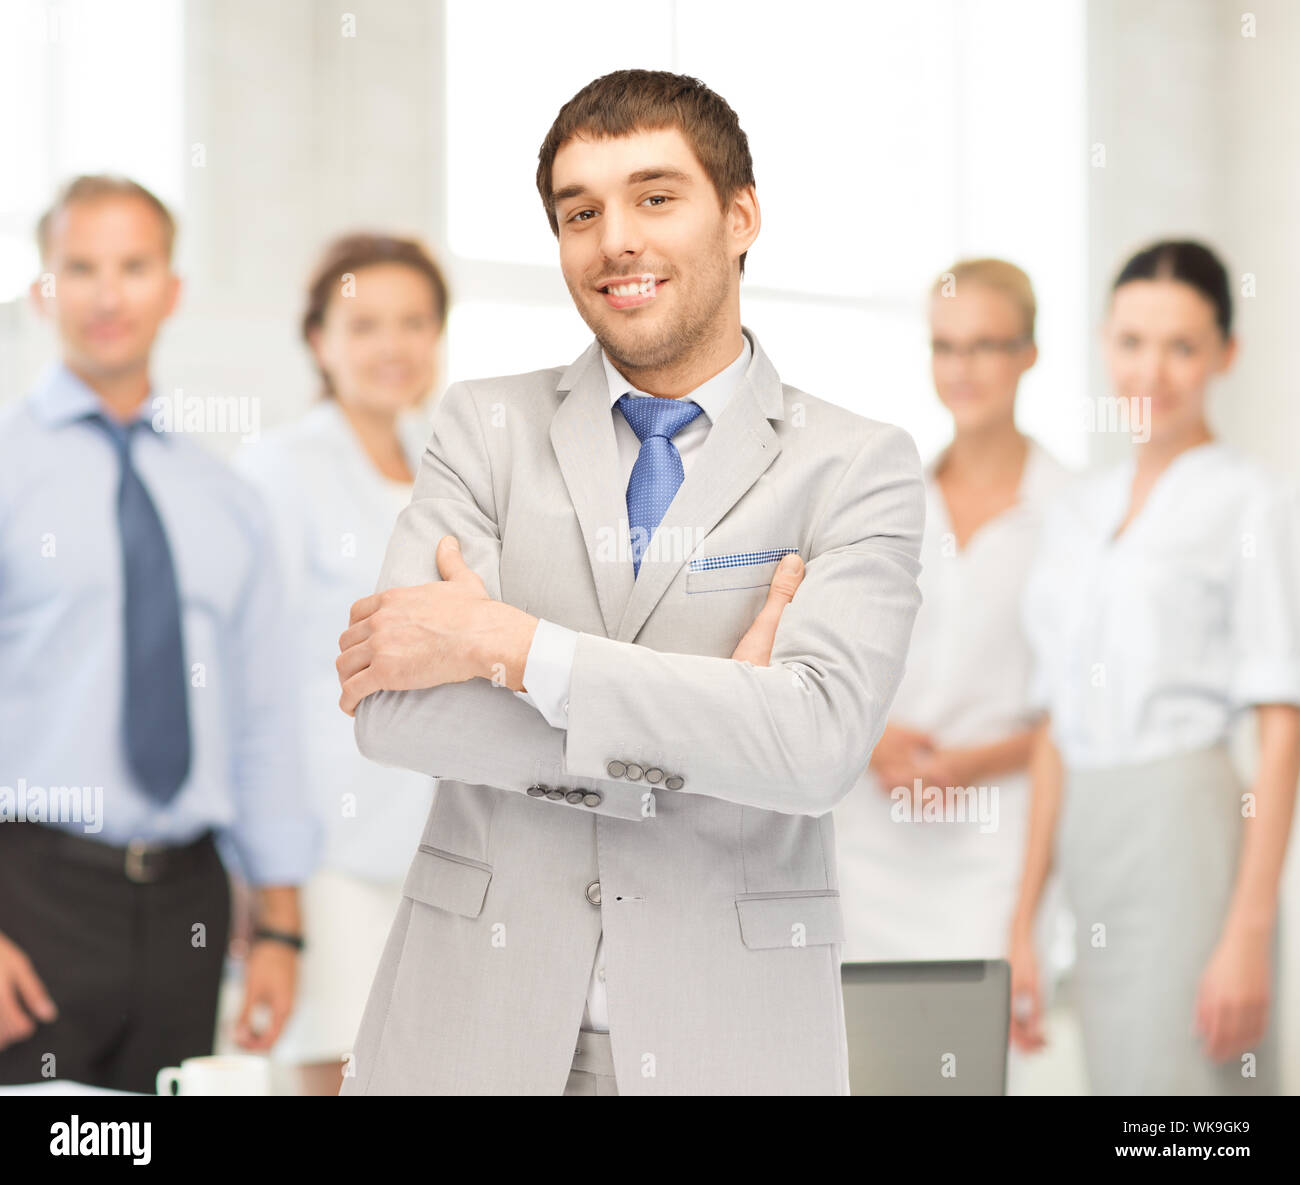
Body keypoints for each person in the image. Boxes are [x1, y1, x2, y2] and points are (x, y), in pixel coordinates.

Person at [331, 69, 926, 1096]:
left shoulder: (856, 463)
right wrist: (718, 724)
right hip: (467, 1029)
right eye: (581, 212)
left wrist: (513, 649)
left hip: (726, 1043)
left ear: (739, 215)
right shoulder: (486, 428)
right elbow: (392, 711)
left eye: (655, 198)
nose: (615, 240)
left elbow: (816, 746)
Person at [0, 175, 317, 1093]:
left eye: (134, 266)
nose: (107, 294)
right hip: (30, 894)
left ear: (172, 289)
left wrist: (283, 931)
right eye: (81, 267)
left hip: (189, 902)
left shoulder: (225, 499)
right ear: (42, 289)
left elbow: (261, 719)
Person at [1009, 240, 1300, 1094]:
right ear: (1105, 342)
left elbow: (1281, 722)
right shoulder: (1074, 513)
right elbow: (1054, 725)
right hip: (1089, 836)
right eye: (1133, 341)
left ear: (1225, 355)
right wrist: (1025, 919)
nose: (1153, 370)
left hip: (1189, 831)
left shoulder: (1250, 499)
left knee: (1193, 1107)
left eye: (1183, 346)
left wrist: (1249, 930)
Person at [833, 261, 1073, 1044]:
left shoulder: (1074, 512)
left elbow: (1071, 715)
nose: (961, 369)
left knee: (973, 1058)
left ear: (1029, 353)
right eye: (945, 347)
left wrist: (969, 765)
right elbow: (824, 667)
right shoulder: (883, 496)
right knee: (870, 1063)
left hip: (991, 846)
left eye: (985, 345)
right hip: (868, 843)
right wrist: (873, 742)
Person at [233, 233, 448, 1095]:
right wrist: (266, 878)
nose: (392, 346)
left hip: (449, 837)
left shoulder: (451, 463)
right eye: (364, 325)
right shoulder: (279, 469)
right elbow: (255, 682)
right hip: (334, 845)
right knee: (342, 1071)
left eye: (413, 322)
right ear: (319, 341)